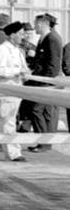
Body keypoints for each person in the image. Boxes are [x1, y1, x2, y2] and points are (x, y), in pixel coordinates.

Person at [0, 22, 28, 162]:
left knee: (3, 120)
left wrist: (25, 73)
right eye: (21, 33)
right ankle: (14, 153)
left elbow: (23, 68)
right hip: (4, 89)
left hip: (15, 89)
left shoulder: (18, 50)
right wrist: (17, 72)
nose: (23, 36)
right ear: (12, 35)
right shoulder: (2, 49)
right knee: (8, 121)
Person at [25, 14, 63, 150]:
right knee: (44, 112)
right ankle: (44, 143)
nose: (34, 27)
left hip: (46, 82)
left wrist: (46, 81)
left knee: (37, 110)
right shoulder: (44, 38)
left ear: (42, 24)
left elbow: (53, 63)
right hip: (41, 80)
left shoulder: (52, 39)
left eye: (35, 24)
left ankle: (43, 142)